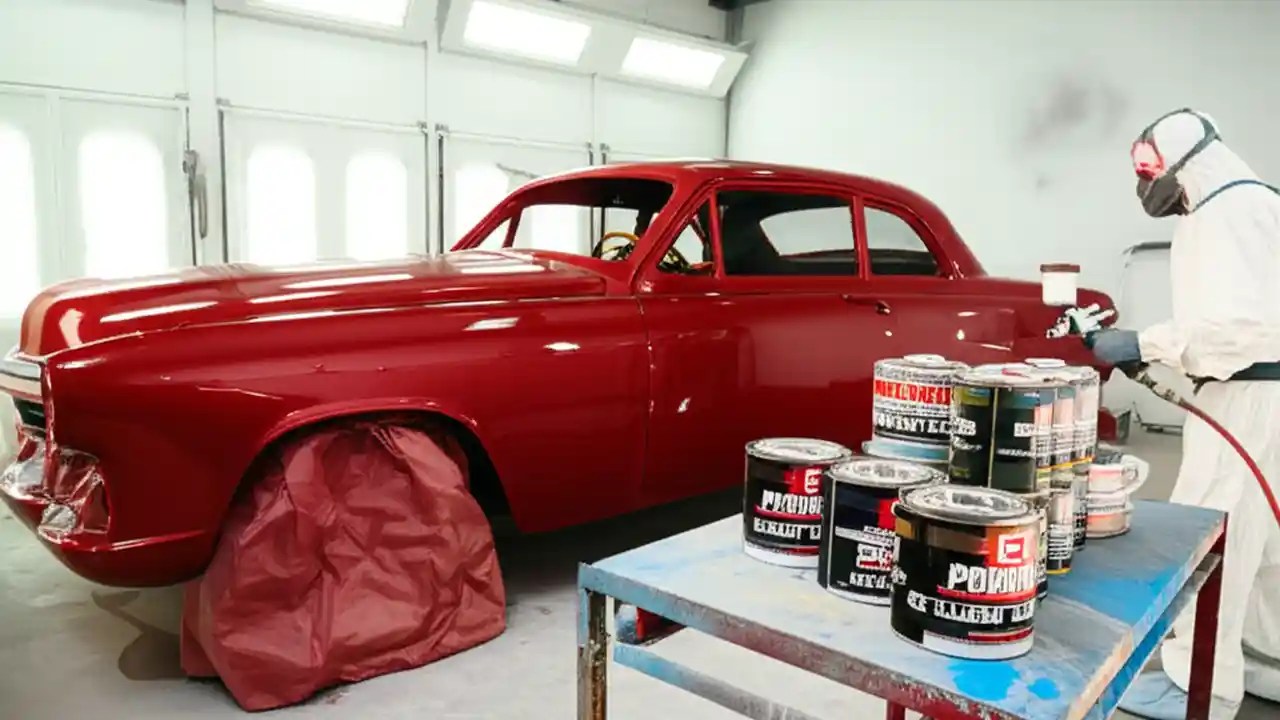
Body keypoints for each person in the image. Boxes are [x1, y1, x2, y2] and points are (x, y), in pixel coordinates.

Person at [1087, 108, 1280, 719]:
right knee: (1264, 543)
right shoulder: (1253, 202)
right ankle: (1262, 662)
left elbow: (1243, 331)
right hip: (1258, 394)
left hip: (1246, 397)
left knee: (1212, 532)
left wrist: (1142, 344)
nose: (1145, 184)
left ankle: (1199, 685)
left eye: (1148, 167)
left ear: (1183, 157)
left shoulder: (1226, 212)